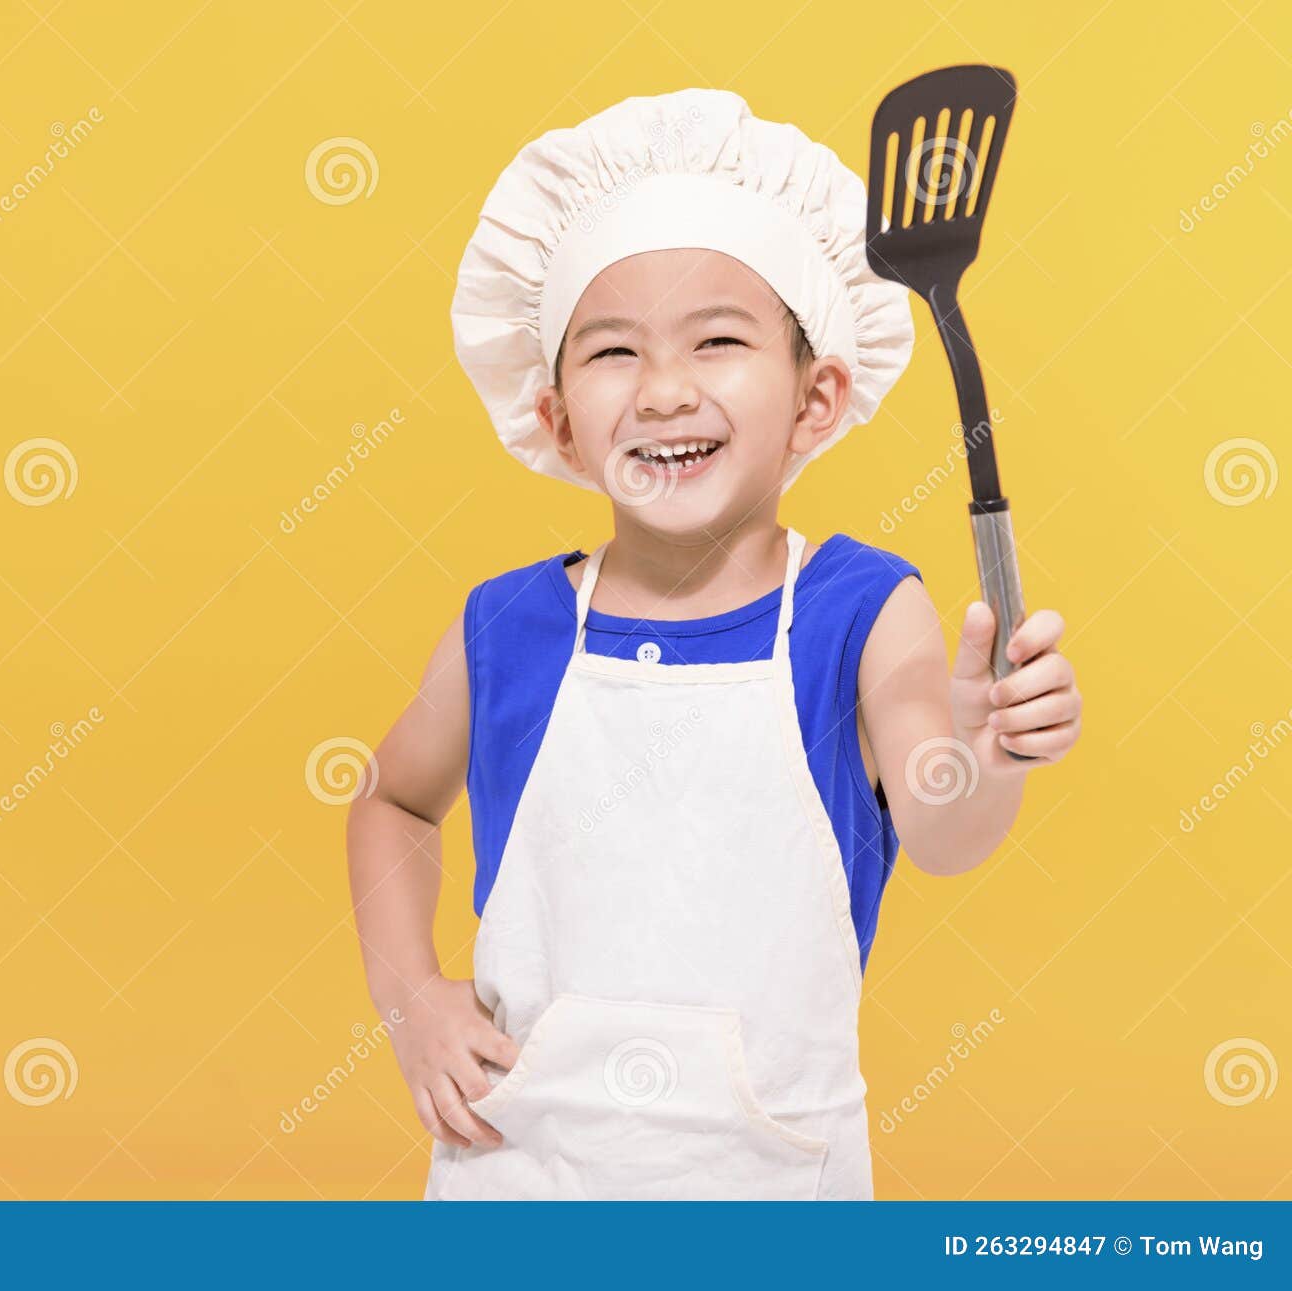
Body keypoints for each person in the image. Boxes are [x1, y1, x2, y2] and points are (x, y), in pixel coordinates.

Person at [346, 88, 1082, 1200]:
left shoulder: (859, 610)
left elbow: (942, 831)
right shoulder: (508, 625)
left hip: (774, 1195)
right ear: (557, 421)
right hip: (517, 1189)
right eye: (613, 351)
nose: (664, 391)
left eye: (719, 341)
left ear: (816, 400)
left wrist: (985, 754)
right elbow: (392, 802)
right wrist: (411, 998)